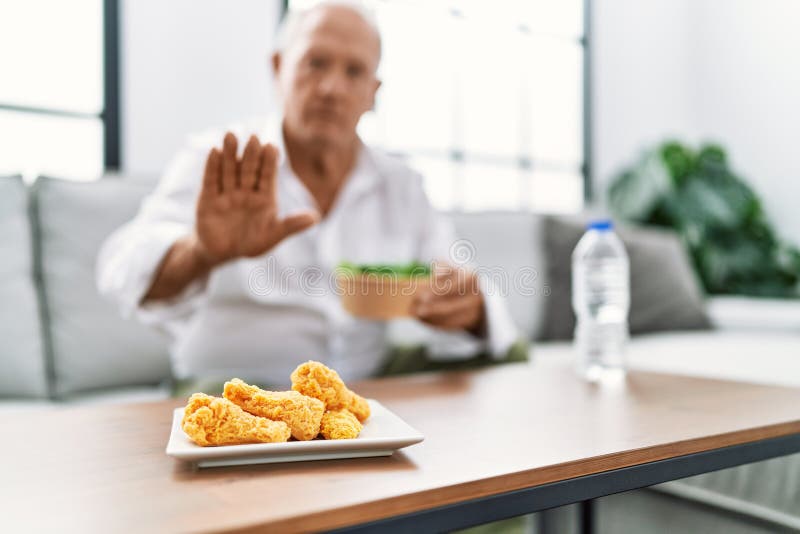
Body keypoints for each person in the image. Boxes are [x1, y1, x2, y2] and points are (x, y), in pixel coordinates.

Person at [97, 1, 521, 388]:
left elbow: (458, 278)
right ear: (278, 67)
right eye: (315, 63)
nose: (331, 88)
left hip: (364, 379)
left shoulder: (402, 184)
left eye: (354, 72)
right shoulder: (220, 159)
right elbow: (119, 272)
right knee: (215, 403)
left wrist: (472, 309)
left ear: (372, 94)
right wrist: (201, 252)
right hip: (239, 384)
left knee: (512, 354)